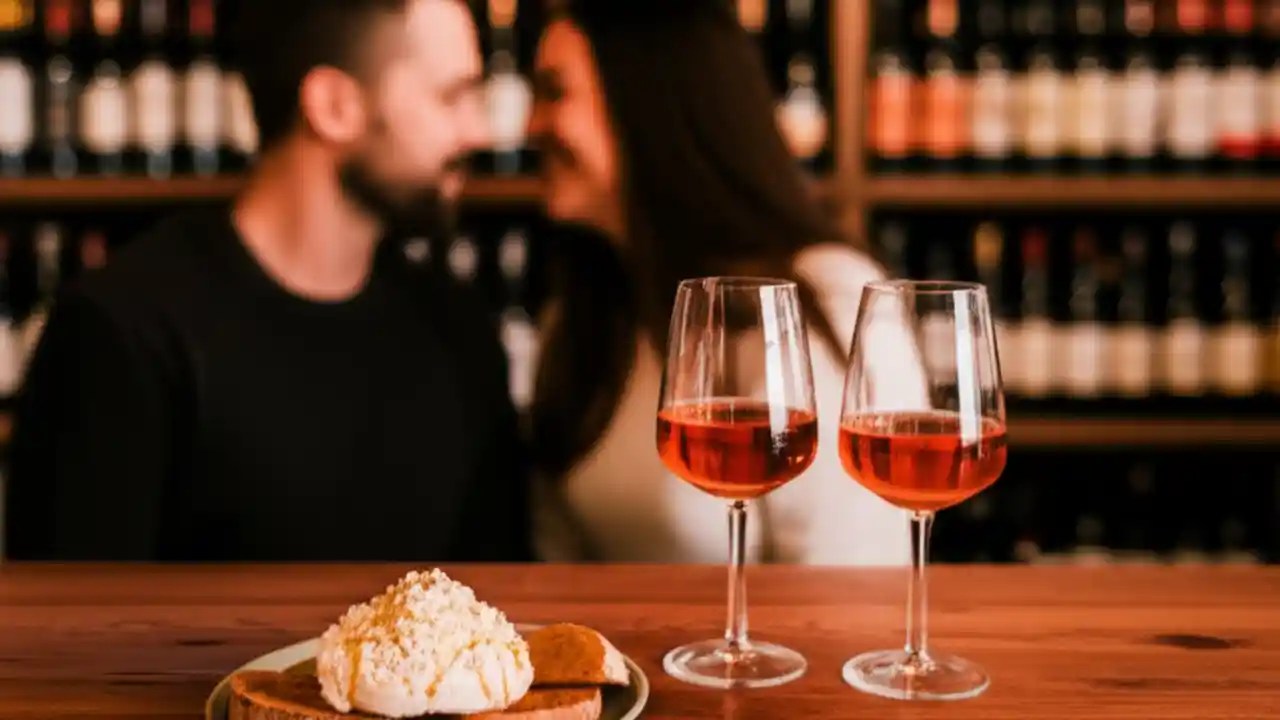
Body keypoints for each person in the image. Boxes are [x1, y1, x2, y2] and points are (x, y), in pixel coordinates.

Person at [4, 0, 532, 561]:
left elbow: (500, 612)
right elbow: (68, 626)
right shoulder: (124, 331)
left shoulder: (459, 332)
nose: (480, 131)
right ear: (333, 106)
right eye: (453, 96)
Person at [527, 0, 916, 564]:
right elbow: (554, 558)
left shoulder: (828, 298)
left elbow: (852, 587)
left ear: (652, 103)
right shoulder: (587, 309)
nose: (529, 125)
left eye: (553, 91)